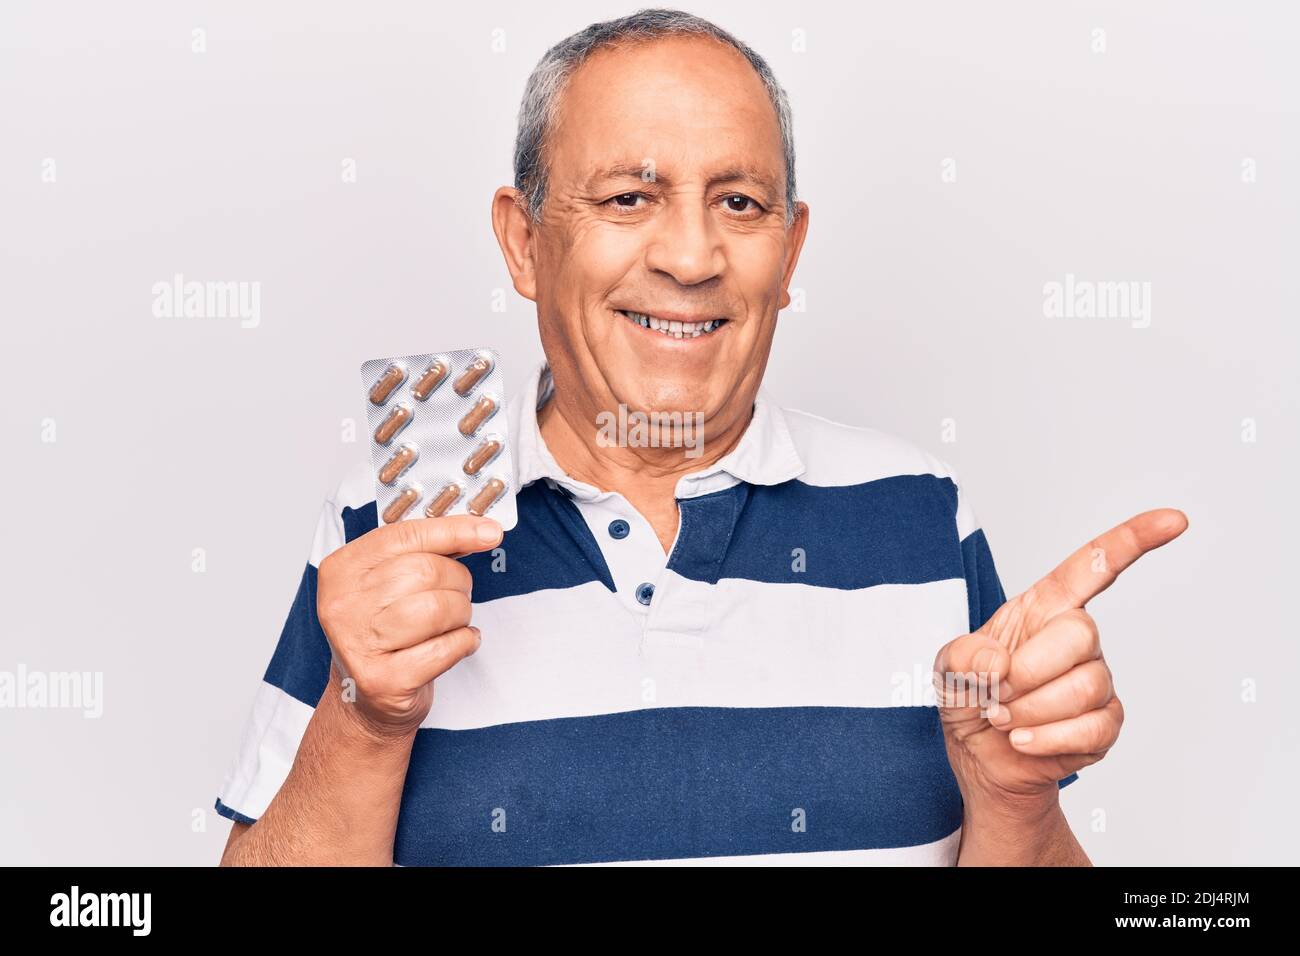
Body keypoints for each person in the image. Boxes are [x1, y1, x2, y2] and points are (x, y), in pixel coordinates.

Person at [216, 8, 1186, 866]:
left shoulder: (921, 510)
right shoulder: (390, 518)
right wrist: (366, 717)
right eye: (629, 198)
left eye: (738, 202)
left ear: (789, 248)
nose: (689, 256)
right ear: (525, 240)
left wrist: (1013, 803)